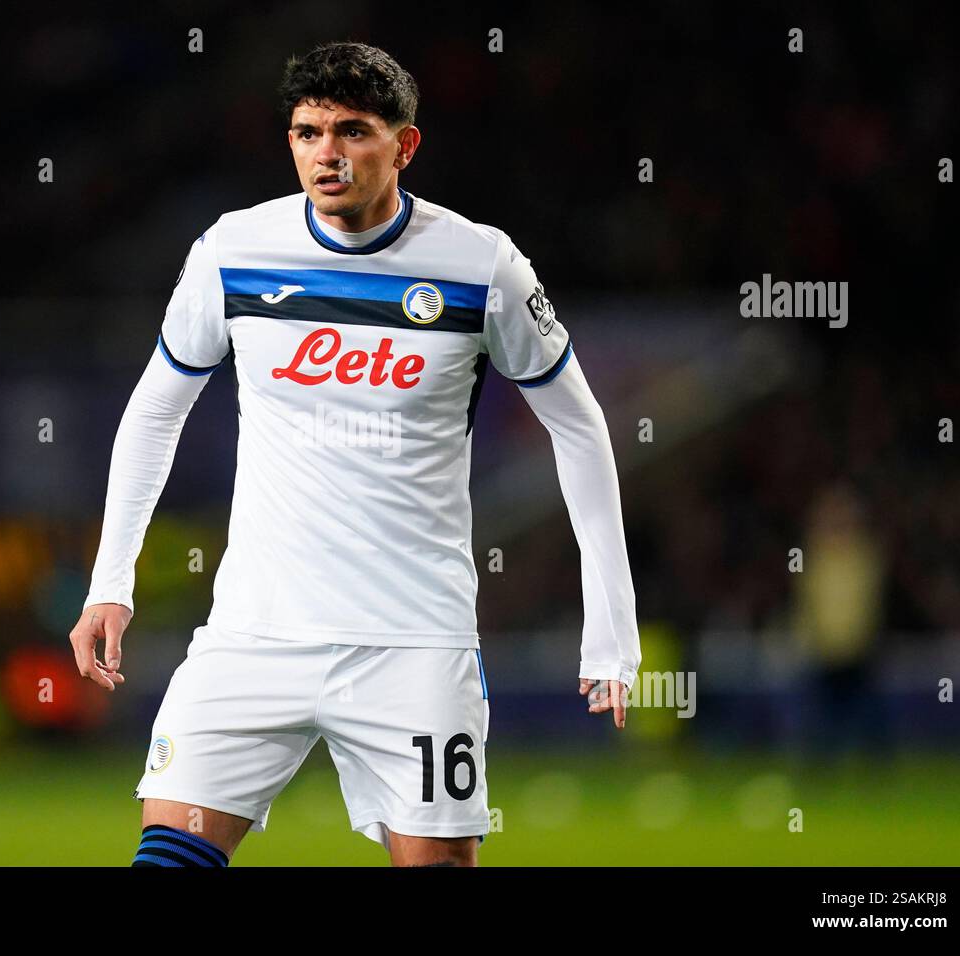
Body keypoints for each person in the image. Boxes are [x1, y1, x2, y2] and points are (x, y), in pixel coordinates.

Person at [70, 41, 640, 867]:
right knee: (170, 857)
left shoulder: (482, 266)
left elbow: (580, 427)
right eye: (306, 133)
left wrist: (611, 627)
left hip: (414, 642)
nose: (326, 154)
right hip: (255, 633)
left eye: (352, 132)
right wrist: (109, 582)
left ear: (405, 146)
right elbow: (158, 406)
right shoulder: (234, 251)